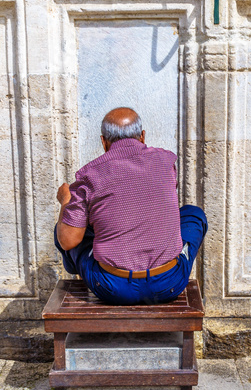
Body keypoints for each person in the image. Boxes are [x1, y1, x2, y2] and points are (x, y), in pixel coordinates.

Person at [54, 107, 207, 305]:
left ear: (103, 142)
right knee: (193, 215)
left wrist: (66, 202)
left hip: (111, 288)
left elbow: (68, 241)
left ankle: (83, 274)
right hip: (168, 284)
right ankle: (168, 264)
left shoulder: (88, 176)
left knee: (67, 228)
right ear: (142, 136)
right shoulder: (166, 161)